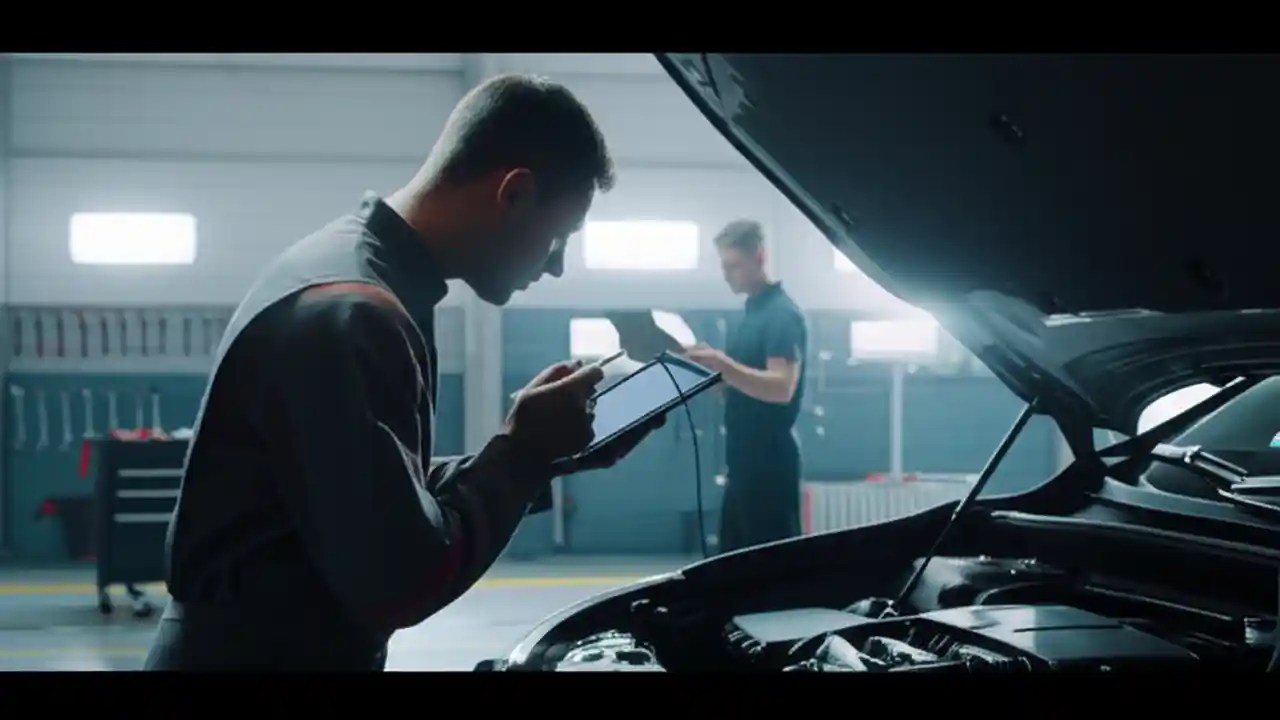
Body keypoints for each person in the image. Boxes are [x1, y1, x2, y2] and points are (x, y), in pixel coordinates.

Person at [143, 74, 661, 671]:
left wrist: (541, 452)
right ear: (514, 194)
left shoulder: (358, 273)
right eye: (558, 239)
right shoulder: (355, 314)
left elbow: (367, 494)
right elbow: (402, 576)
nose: (557, 268)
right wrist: (521, 456)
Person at [683, 220, 807, 553]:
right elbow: (740, 387)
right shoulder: (751, 315)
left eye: (734, 266)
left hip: (769, 467)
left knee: (769, 570)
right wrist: (711, 375)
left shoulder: (782, 315)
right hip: (743, 463)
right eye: (724, 266)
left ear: (760, 257)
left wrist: (723, 364)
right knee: (734, 565)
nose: (727, 275)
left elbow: (782, 388)